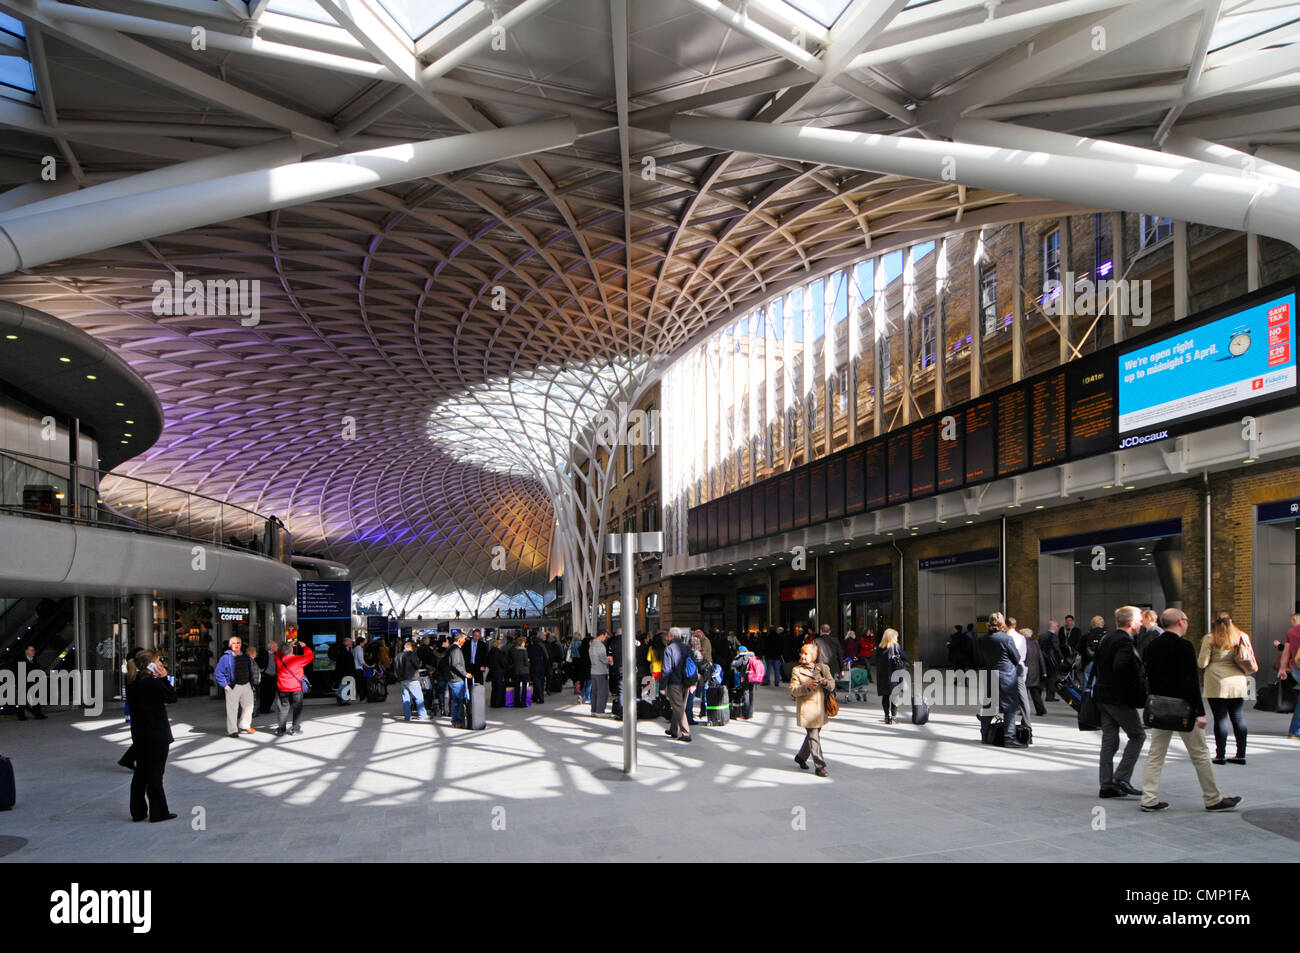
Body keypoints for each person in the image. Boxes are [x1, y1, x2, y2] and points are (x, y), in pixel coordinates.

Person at [1140, 609, 1240, 813]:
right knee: (1200, 754)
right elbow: (1190, 683)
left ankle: (1148, 798)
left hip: (1160, 708)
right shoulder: (1184, 646)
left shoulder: (1152, 646)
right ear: (1180, 621)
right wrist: (1199, 712)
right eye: (1186, 620)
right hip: (1183, 709)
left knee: (1155, 755)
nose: (1187, 623)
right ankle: (1213, 799)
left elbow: (1148, 676)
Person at [1093, 606, 1147, 798]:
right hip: (1118, 698)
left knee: (1110, 740)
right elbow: (1121, 667)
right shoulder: (1124, 641)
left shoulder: (1107, 638)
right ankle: (1121, 778)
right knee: (1138, 735)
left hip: (1102, 696)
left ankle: (1106, 785)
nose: (1142, 622)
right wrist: (1135, 687)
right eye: (1139, 619)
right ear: (1131, 622)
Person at [125, 650, 178, 823]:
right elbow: (171, 697)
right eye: (158, 662)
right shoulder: (152, 683)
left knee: (141, 773)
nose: (161, 664)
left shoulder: (132, 681)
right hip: (156, 734)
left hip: (140, 734)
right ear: (151, 665)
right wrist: (164, 678)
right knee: (155, 774)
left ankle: (138, 811)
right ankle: (159, 812)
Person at [1198, 613, 1253, 765]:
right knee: (1238, 717)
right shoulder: (1241, 636)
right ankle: (1241, 755)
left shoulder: (1210, 638)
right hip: (1237, 680)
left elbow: (1202, 663)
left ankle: (1220, 755)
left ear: (1214, 623)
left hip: (1216, 681)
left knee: (1220, 718)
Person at [979, 612, 1024, 746]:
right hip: (1006, 676)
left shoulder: (982, 639)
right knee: (1009, 706)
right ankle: (1009, 737)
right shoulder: (1006, 639)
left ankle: (985, 735)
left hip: (989, 674)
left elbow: (979, 657)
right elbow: (1016, 658)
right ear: (1002, 623)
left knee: (988, 705)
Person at [790, 641, 833, 777]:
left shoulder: (823, 668)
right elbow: (793, 690)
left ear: (813, 656)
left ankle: (801, 757)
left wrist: (826, 682)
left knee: (812, 735)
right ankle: (820, 766)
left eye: (806, 654)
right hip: (807, 710)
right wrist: (806, 686)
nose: (803, 656)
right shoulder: (797, 670)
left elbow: (832, 684)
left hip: (820, 709)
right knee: (814, 736)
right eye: (802, 653)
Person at [213, 636, 258, 736]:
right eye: (234, 643)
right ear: (230, 645)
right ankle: (233, 730)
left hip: (246, 685)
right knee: (232, 709)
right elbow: (218, 673)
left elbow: (250, 671)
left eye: (238, 643)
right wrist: (225, 685)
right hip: (233, 686)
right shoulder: (225, 658)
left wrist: (252, 683)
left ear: (241, 644)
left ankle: (245, 725)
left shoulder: (246, 657)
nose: (236, 645)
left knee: (249, 707)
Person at [271, 633, 314, 736]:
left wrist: (287, 645)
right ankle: (295, 729)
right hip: (296, 688)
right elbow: (310, 656)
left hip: (282, 688)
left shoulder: (278, 659)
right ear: (292, 650)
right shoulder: (298, 659)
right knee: (297, 708)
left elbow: (278, 653)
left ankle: (281, 729)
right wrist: (305, 647)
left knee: (283, 708)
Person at [661, 627, 692, 742]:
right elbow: (692, 664)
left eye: (668, 635)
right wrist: (693, 682)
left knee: (678, 707)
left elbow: (666, 669)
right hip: (686, 681)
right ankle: (673, 730)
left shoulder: (669, 649)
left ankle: (686, 733)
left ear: (671, 636)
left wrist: (662, 686)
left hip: (674, 682)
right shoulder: (687, 647)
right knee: (679, 705)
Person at [875, 628, 907, 724]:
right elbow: (905, 657)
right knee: (895, 696)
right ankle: (893, 717)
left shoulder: (879, 647)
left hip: (883, 675)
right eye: (896, 636)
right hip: (894, 674)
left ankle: (886, 716)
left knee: (885, 696)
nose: (897, 638)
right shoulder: (896, 646)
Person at [394, 639, 428, 721]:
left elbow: (396, 668)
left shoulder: (397, 656)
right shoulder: (411, 655)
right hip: (412, 679)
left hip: (402, 679)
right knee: (418, 697)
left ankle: (407, 716)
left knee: (405, 698)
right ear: (411, 647)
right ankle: (422, 715)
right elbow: (417, 665)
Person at [1279, 614, 1300, 741]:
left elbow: (1286, 652)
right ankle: (1295, 731)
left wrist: (1282, 669)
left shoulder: (1292, 631)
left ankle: (1295, 731)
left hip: (1296, 668)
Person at [14, 644, 48, 720]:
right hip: (23, 681)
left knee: (35, 698)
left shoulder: (34, 659)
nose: (33, 651)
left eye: (33, 650)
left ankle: (38, 714)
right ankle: (21, 716)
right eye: (31, 650)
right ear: (26, 651)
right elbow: (18, 671)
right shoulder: (20, 659)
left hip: (33, 682)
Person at [1021, 627, 1047, 716]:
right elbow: (1040, 657)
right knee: (1035, 692)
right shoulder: (1035, 643)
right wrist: (1044, 671)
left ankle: (1023, 710)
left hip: (1025, 670)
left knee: (1023, 692)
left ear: (1023, 635)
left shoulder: (1022, 644)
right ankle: (1041, 709)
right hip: (1035, 671)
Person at [447, 633, 470, 727]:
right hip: (457, 679)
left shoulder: (451, 648)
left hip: (452, 678)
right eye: (464, 639)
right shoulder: (456, 649)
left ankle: (455, 721)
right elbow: (456, 664)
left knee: (455, 701)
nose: (465, 641)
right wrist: (465, 674)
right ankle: (458, 721)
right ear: (459, 639)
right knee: (459, 701)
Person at [731, 644, 758, 720]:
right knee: (751, 694)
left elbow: (735, 664)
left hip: (746, 678)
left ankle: (746, 714)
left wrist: (735, 658)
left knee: (746, 695)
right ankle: (750, 713)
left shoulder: (743, 657)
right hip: (752, 678)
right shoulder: (752, 656)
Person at [589, 631, 612, 715]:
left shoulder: (592, 644)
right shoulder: (600, 646)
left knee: (594, 692)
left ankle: (594, 710)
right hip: (601, 671)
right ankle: (600, 711)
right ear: (602, 635)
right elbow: (603, 659)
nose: (605, 638)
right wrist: (609, 660)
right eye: (605, 636)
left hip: (593, 671)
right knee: (602, 692)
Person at [509, 636, 531, 708]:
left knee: (517, 687)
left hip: (516, 671)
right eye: (524, 643)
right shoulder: (524, 650)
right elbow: (526, 662)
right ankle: (523, 703)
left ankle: (517, 702)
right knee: (524, 687)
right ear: (521, 643)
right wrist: (528, 661)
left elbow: (511, 661)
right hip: (524, 671)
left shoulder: (513, 650)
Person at [487, 636, 509, 708]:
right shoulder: (499, 653)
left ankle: (493, 703)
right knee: (499, 688)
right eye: (501, 644)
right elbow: (504, 663)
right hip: (499, 672)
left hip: (492, 672)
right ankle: (498, 703)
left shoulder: (490, 652)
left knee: (494, 688)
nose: (502, 645)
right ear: (498, 645)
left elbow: (487, 662)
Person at [528, 635, 549, 704]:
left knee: (536, 683)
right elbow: (546, 657)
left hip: (534, 667)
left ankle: (540, 698)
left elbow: (528, 657)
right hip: (541, 667)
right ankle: (536, 697)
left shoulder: (530, 647)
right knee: (541, 683)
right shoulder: (541, 647)